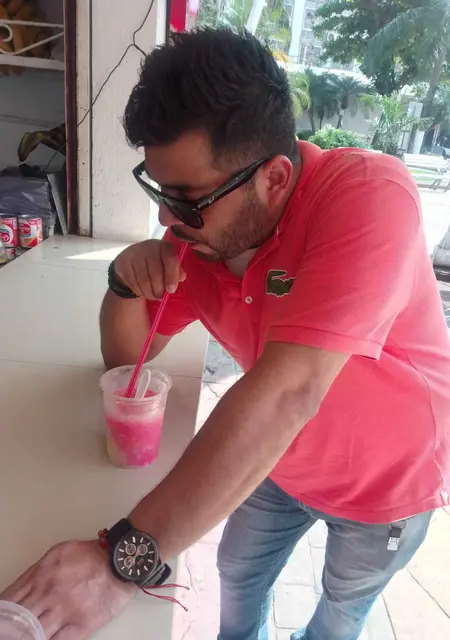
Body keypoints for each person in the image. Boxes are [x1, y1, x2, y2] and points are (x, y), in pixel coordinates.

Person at [2, 27, 450, 640]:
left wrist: (121, 562)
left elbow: (290, 392)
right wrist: (124, 282)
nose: (167, 217)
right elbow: (125, 361)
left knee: (340, 613)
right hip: (278, 459)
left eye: (186, 198)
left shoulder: (367, 196)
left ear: (274, 179)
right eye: (158, 190)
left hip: (386, 482)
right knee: (237, 576)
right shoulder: (201, 239)